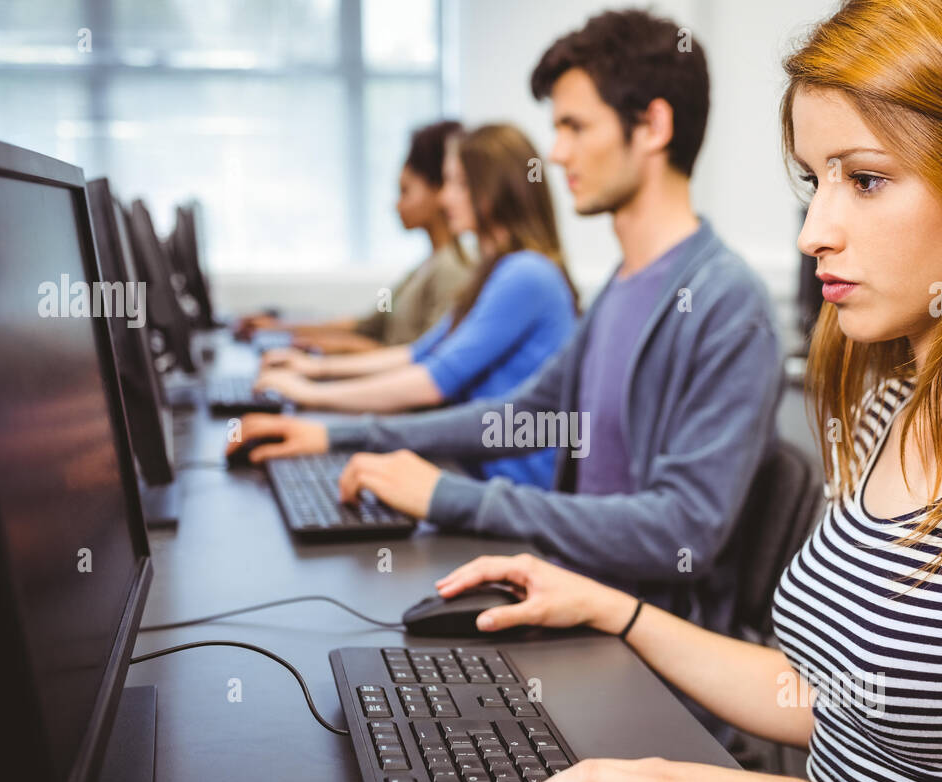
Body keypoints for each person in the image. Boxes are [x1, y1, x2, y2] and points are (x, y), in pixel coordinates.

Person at [426, 0, 942, 782]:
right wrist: (618, 610)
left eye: (864, 179)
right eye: (812, 181)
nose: (814, 233)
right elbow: (830, 693)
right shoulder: (889, 411)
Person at [230, 9, 781, 644]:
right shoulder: (624, 288)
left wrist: (452, 496)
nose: (556, 152)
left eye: (575, 126)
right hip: (565, 594)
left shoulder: (727, 305)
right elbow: (520, 416)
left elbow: (683, 531)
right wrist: (338, 436)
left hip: (642, 650)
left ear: (653, 125)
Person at [243, 123, 579, 491]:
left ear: (491, 192)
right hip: (475, 468)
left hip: (511, 486)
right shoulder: (495, 271)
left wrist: (315, 401)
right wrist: (313, 371)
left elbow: (432, 382)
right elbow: (416, 355)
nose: (445, 198)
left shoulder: (527, 275)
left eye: (457, 184)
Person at [234, 120, 472, 354]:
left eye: (405, 191)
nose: (396, 205)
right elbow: (367, 323)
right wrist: (279, 328)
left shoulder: (451, 269)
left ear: (438, 190)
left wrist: (343, 347)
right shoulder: (418, 270)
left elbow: (426, 359)